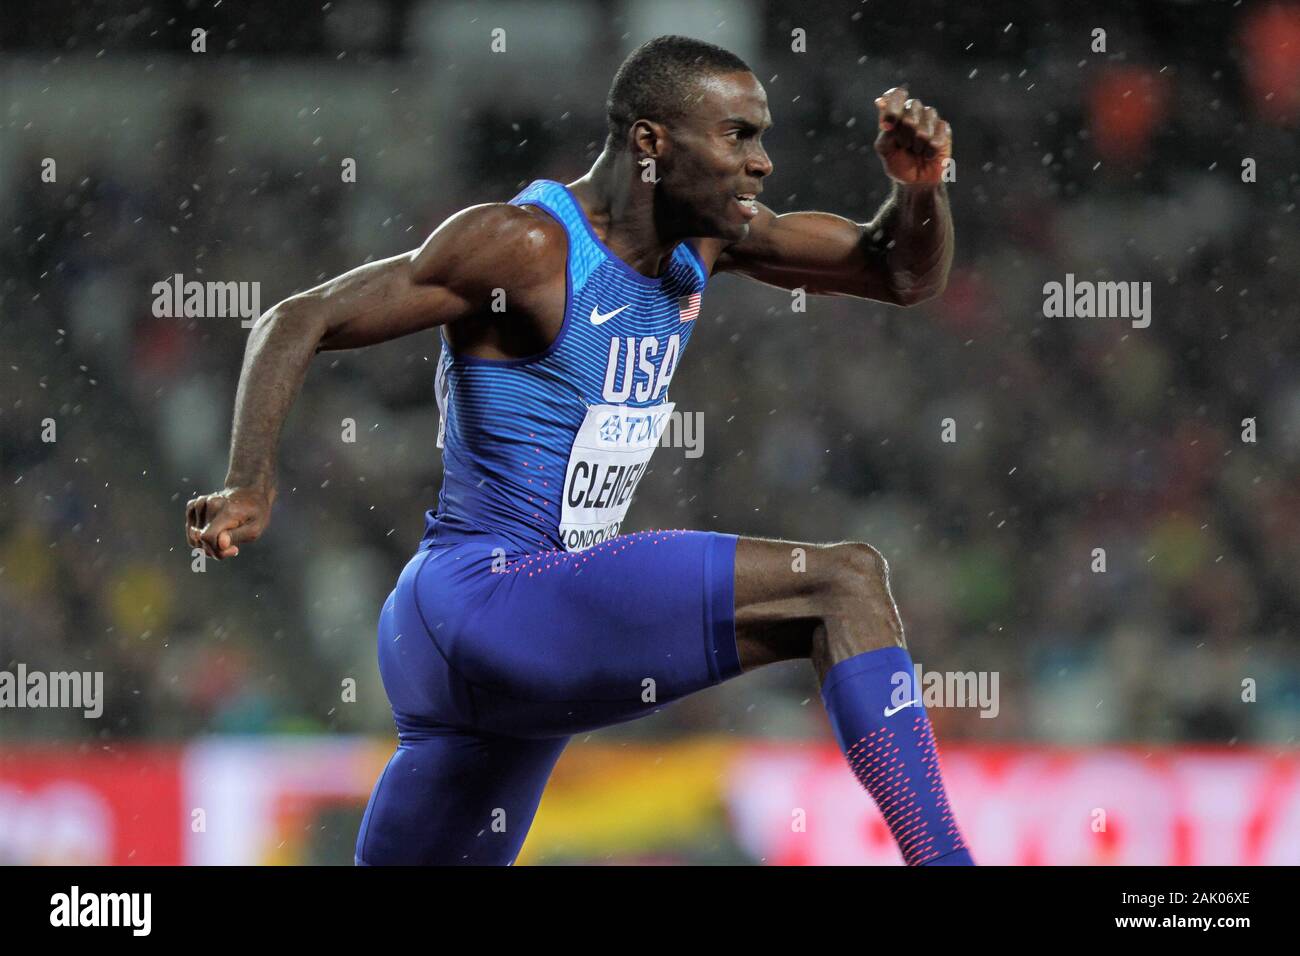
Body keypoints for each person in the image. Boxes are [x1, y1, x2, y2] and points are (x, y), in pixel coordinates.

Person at [185, 35, 972, 866]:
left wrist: (918, 189)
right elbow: (295, 318)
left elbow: (901, 274)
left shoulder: (710, 241)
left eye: (762, 136)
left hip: (495, 661)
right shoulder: (525, 248)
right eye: (739, 135)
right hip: (485, 603)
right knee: (842, 581)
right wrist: (251, 482)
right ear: (651, 144)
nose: (763, 163)